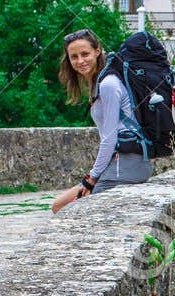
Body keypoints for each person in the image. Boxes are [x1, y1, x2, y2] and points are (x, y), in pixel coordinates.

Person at [51, 29, 152, 212]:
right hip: (121, 164)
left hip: (126, 165)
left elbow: (110, 138)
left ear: (97, 51)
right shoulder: (98, 84)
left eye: (85, 54)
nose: (80, 61)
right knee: (59, 206)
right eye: (74, 56)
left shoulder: (108, 84)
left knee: (67, 209)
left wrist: (92, 178)